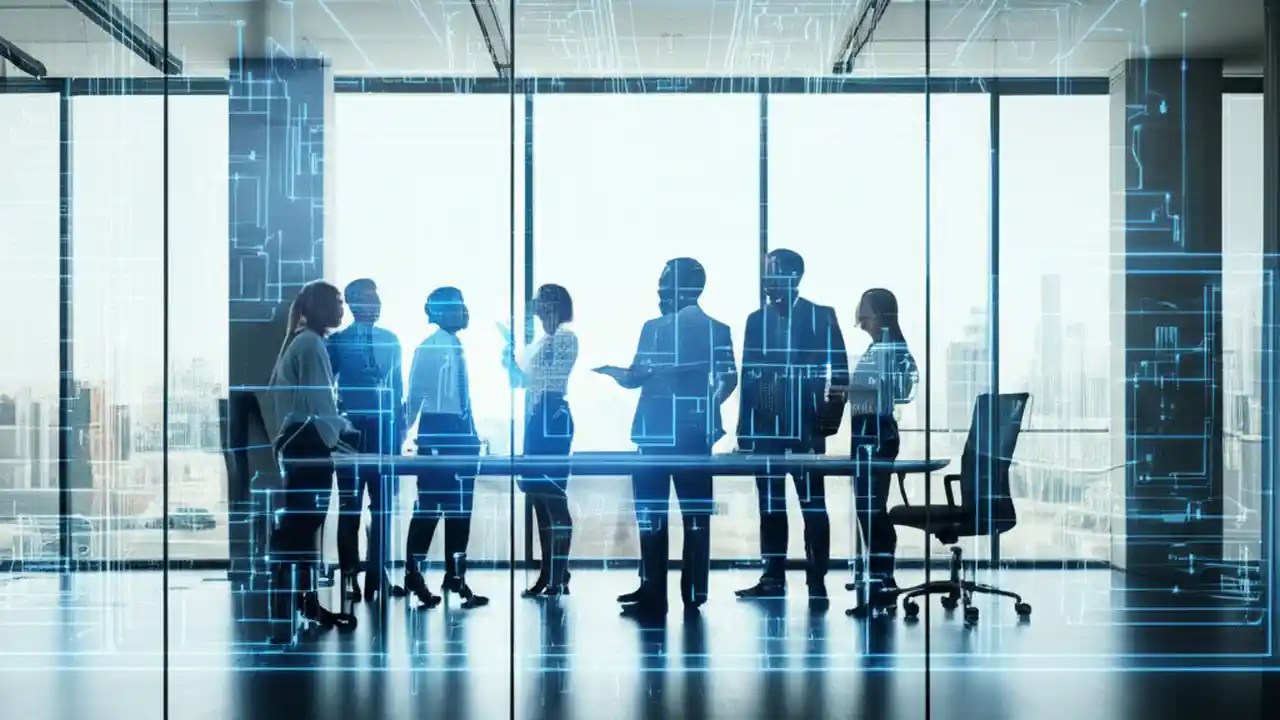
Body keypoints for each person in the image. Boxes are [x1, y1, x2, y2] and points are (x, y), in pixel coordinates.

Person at [596, 258, 737, 618]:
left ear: (690, 287)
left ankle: (659, 593)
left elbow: (727, 377)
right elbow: (725, 379)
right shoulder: (704, 329)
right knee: (681, 516)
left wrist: (704, 402)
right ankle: (678, 592)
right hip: (678, 433)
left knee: (665, 515)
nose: (658, 290)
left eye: (665, 282)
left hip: (667, 433)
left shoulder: (702, 329)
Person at [735, 249, 848, 609]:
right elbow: (748, 377)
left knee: (813, 504)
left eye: (775, 271)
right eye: (765, 272)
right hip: (766, 428)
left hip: (807, 426)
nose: (767, 280)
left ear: (795, 275)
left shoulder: (821, 316)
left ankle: (817, 578)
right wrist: (745, 431)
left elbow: (841, 372)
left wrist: (831, 416)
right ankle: (772, 577)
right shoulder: (756, 320)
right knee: (770, 505)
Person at [264, 279, 357, 633]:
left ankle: (300, 602)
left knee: (300, 528)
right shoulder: (311, 345)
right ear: (317, 307)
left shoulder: (302, 342)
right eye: (335, 302)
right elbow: (321, 406)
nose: (341, 308)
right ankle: (296, 603)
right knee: (302, 528)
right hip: (309, 446)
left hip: (298, 444)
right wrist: (347, 432)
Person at [402, 287, 489, 610]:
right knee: (429, 507)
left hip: (461, 433)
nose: (463, 312)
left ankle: (456, 576)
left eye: (463, 305)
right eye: (455, 307)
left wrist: (472, 435)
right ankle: (414, 573)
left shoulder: (457, 347)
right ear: (436, 312)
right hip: (438, 431)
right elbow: (415, 396)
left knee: (460, 509)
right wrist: (401, 438)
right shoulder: (428, 348)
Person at [845, 287, 917, 616]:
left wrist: (859, 390)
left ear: (881, 315)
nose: (862, 319)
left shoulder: (890, 348)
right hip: (867, 432)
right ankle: (880, 582)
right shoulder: (880, 348)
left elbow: (903, 390)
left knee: (872, 512)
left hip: (876, 432)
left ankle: (883, 584)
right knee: (869, 511)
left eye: (866, 313)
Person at [504, 284, 579, 598]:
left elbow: (545, 378)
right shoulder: (542, 341)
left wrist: (520, 364)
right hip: (538, 417)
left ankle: (557, 573)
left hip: (552, 415)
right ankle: (551, 571)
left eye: (543, 302)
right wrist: (510, 359)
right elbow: (521, 383)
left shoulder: (564, 337)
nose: (537, 307)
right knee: (538, 498)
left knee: (553, 498)